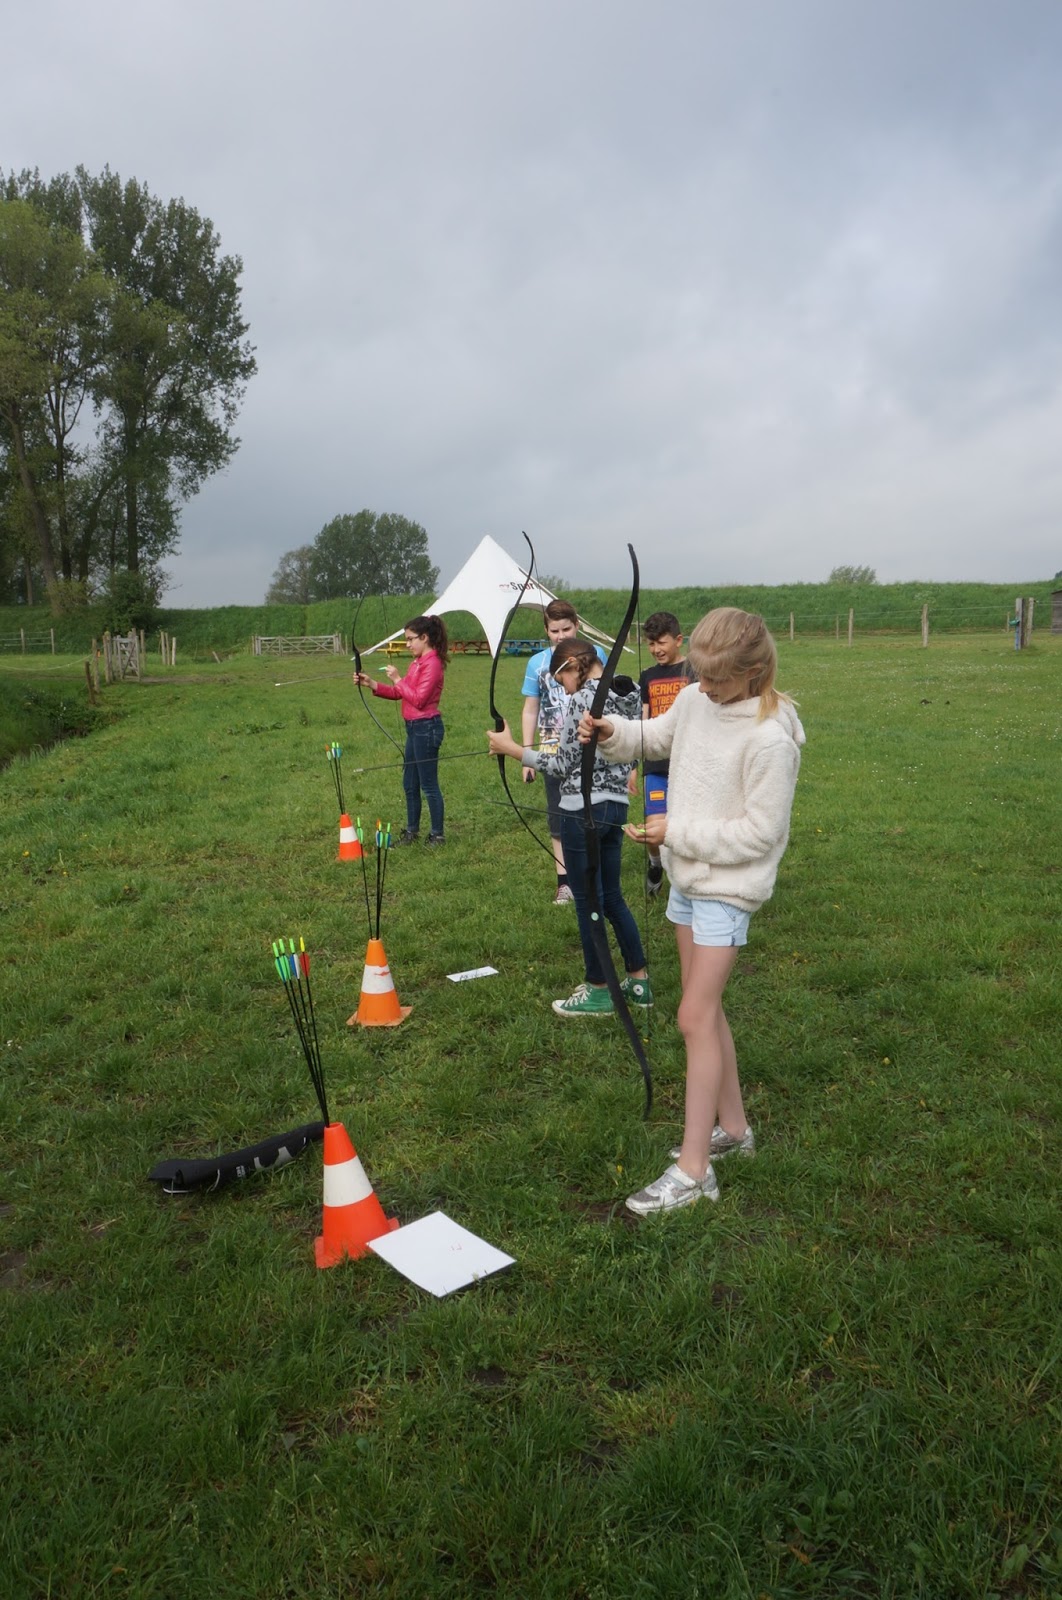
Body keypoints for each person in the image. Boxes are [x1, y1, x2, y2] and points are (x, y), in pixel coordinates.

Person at [578, 608, 804, 1214]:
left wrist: (676, 831)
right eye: (698, 676)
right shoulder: (699, 700)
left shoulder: (769, 740)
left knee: (693, 1017)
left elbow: (760, 834)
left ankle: (694, 1168)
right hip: (686, 876)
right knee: (703, 1015)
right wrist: (610, 734)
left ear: (753, 673)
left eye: (716, 680)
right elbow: (655, 736)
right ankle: (734, 1129)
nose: (702, 689)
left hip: (728, 889)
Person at [489, 637, 651, 1017]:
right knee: (611, 897)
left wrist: (511, 749)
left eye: (561, 679)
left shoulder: (584, 700)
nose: (563, 688)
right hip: (615, 808)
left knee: (587, 900)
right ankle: (639, 980)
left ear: (575, 665)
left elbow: (562, 764)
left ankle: (598, 988)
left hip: (583, 810)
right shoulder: (626, 694)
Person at [520, 599, 607, 905]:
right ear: (546, 631)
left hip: (590, 746)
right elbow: (531, 709)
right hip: (551, 748)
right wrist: (527, 753)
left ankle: (592, 872)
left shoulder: (596, 656)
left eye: (566, 628)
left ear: (577, 626)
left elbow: (607, 699)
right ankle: (564, 881)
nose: (560, 635)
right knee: (558, 815)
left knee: (591, 812)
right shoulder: (537, 664)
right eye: (554, 630)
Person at [355, 614, 448, 846]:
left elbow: (418, 699)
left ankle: (437, 834)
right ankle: (411, 831)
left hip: (427, 728)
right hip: (414, 728)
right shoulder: (416, 663)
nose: (407, 644)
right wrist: (372, 684)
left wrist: (397, 678)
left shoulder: (433, 664)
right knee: (409, 783)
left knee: (428, 784)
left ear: (424, 638)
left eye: (410, 639)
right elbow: (400, 693)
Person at [633, 611, 693, 897]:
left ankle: (686, 881)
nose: (656, 649)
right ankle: (656, 863)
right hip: (655, 766)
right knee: (654, 827)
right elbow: (643, 722)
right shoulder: (647, 676)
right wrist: (633, 764)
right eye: (651, 643)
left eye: (662, 642)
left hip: (689, 764)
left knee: (687, 825)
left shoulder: (694, 671)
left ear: (679, 640)